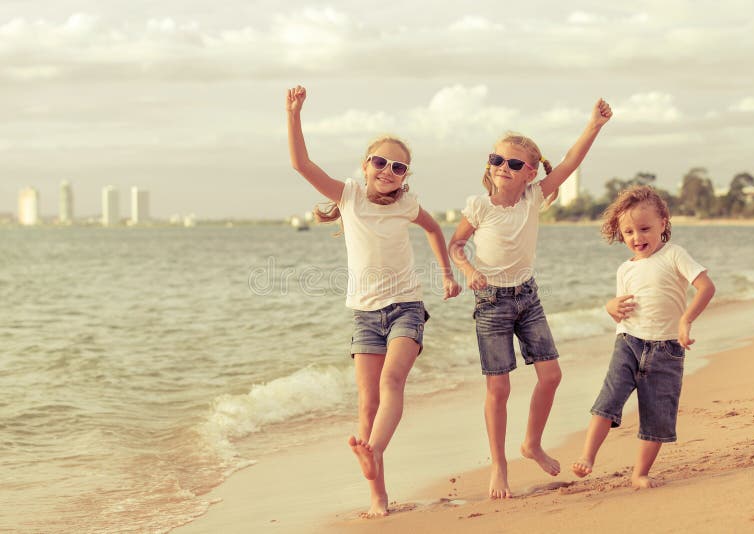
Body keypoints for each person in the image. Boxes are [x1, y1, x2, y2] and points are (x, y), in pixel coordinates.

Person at [286, 85, 461, 517]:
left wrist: (445, 273)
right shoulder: (348, 195)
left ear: (405, 176)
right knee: (366, 404)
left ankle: (373, 451)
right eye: (380, 162)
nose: (387, 170)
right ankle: (378, 497)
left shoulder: (407, 204)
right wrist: (293, 114)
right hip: (365, 316)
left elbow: (435, 229)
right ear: (366, 166)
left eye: (397, 166)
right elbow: (301, 164)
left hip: (406, 307)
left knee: (391, 384)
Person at [449, 99, 613, 499]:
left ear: (531, 173)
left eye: (515, 164)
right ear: (490, 164)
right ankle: (499, 465)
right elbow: (456, 244)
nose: (504, 167)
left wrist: (594, 124)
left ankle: (531, 444)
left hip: (528, 297)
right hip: (491, 302)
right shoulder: (479, 206)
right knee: (498, 389)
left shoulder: (533, 198)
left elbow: (571, 162)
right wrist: (469, 272)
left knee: (551, 376)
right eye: (498, 159)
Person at [571, 185, 716, 488]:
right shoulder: (624, 269)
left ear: (663, 223)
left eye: (645, 228)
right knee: (608, 400)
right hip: (629, 343)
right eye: (629, 232)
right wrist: (610, 306)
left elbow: (706, 287)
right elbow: (620, 310)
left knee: (657, 415)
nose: (637, 238)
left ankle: (640, 473)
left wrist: (686, 320)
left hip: (667, 349)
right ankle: (587, 455)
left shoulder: (674, 254)